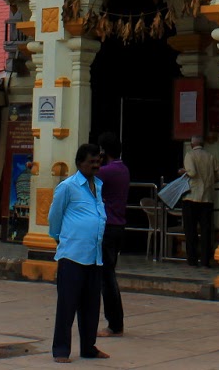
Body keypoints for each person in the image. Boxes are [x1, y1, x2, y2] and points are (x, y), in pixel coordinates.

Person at [49, 143, 108, 363]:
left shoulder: (98, 186)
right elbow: (55, 217)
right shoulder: (68, 186)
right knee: (67, 305)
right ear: (79, 163)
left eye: (98, 162)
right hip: (72, 255)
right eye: (91, 162)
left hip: (94, 256)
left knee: (91, 306)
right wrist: (60, 238)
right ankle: (61, 350)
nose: (95, 166)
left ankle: (88, 347)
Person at [95, 133, 130, 337]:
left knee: (106, 277)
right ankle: (115, 322)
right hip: (117, 225)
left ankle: (114, 323)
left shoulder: (106, 172)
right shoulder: (122, 169)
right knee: (108, 274)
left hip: (107, 226)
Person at [181, 134, 218, 268]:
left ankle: (192, 259)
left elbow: (191, 173)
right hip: (207, 198)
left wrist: (183, 171)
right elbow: (218, 174)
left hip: (191, 197)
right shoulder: (210, 156)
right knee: (206, 230)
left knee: (191, 231)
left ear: (192, 144)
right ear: (203, 144)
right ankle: (205, 260)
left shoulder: (190, 155)